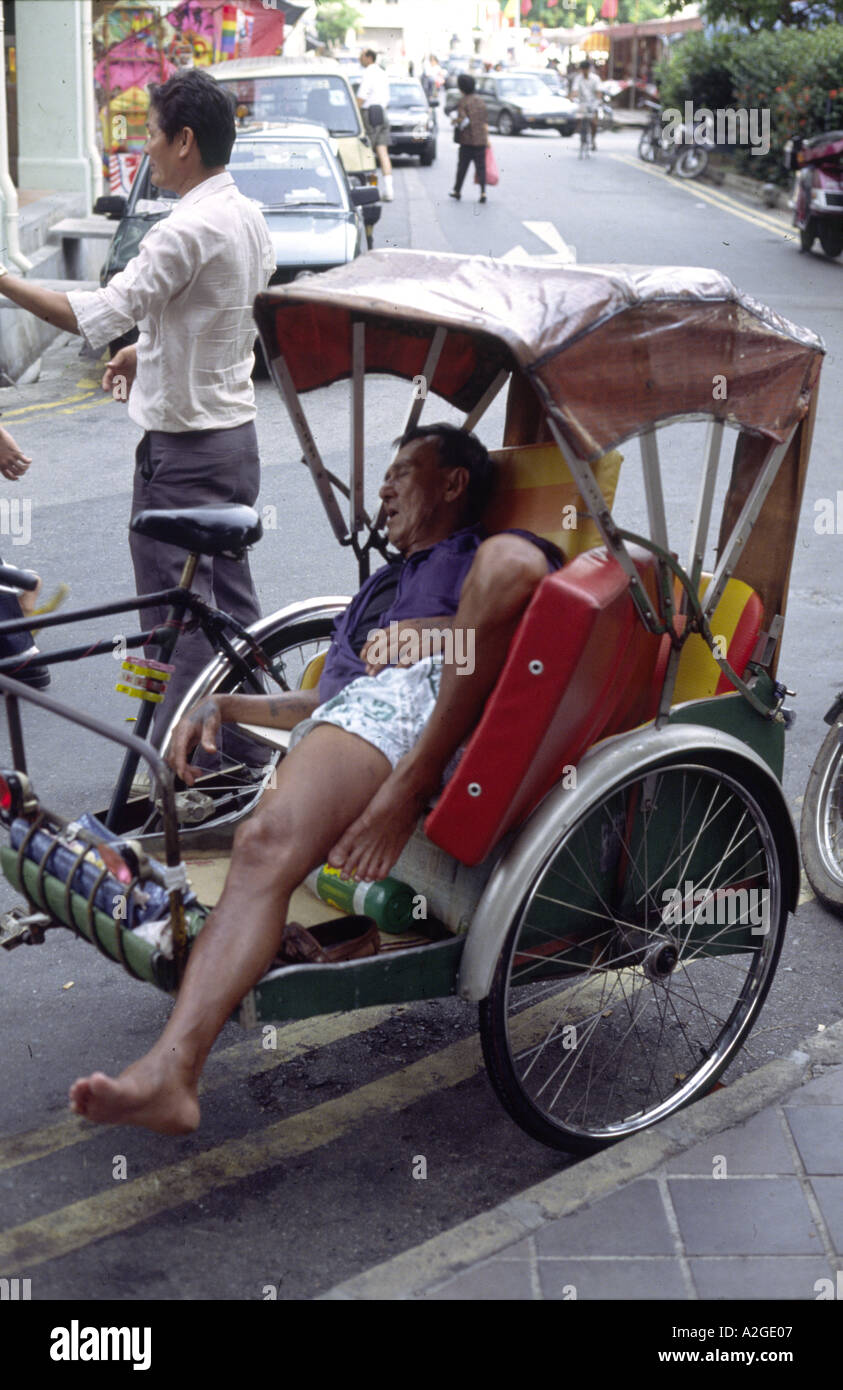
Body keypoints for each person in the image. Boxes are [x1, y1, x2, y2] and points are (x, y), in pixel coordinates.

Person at [68, 424, 563, 1133]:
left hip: (428, 713)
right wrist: (224, 701)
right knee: (259, 847)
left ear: (453, 483)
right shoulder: (376, 593)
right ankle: (173, 1069)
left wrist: (440, 637)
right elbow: (330, 700)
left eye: (402, 473)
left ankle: (172, 1069)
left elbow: (517, 581)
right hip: (359, 717)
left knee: (264, 841)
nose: (384, 489)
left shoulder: (473, 554)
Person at [0, 69, 275, 742]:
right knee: (230, 615)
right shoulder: (246, 215)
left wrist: (4, 279)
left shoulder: (183, 230)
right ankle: (247, 749)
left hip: (182, 453)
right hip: (233, 442)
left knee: (176, 623)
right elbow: (217, 318)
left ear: (183, 141)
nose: (144, 149)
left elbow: (98, 313)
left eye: (150, 135)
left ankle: (188, 774)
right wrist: (145, 353)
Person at [357, 49, 394, 201]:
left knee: (366, 151)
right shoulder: (382, 72)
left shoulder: (368, 72)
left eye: (361, 56)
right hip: (382, 112)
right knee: (382, 151)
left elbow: (362, 96)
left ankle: (370, 189)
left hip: (370, 113)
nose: (360, 59)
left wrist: (353, 110)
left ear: (369, 58)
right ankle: (389, 189)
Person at [449, 74, 489, 204]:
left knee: (462, 167)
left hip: (467, 141)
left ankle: (457, 190)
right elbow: (484, 121)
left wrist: (455, 121)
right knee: (481, 167)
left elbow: (463, 121)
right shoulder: (481, 101)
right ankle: (483, 192)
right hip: (481, 140)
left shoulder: (463, 101)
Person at [570, 59, 603, 151]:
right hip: (582, 103)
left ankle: (593, 139)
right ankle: (581, 135)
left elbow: (599, 92)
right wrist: (572, 97)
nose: (585, 71)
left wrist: (598, 100)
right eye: (583, 69)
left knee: (594, 123)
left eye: (586, 69)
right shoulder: (578, 78)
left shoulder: (595, 78)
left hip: (593, 103)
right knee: (579, 119)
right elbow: (575, 90)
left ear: (589, 69)